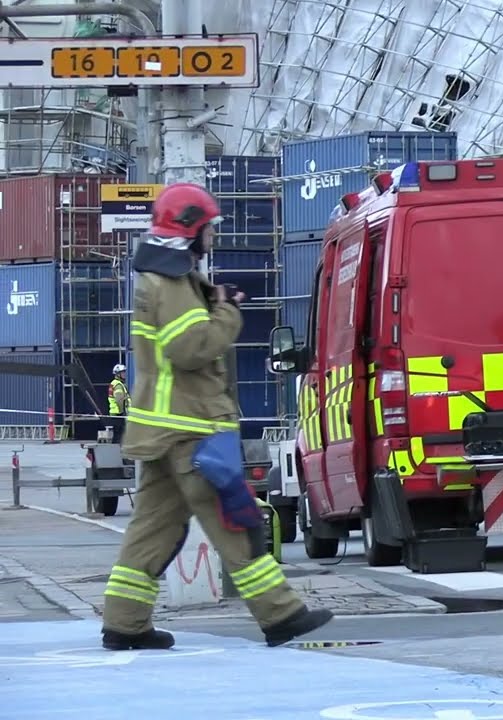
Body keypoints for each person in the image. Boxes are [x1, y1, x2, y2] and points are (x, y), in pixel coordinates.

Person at [100, 182, 332, 651]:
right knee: (235, 521)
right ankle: (281, 614)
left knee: (153, 530)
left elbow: (177, 340)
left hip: (161, 430)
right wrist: (226, 314)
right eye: (208, 228)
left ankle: (124, 623)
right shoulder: (172, 283)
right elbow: (191, 349)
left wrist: (210, 301)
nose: (213, 236)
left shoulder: (161, 278)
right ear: (190, 229)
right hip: (192, 430)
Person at [105, 363, 129, 442]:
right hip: (118, 413)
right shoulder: (118, 385)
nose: (124, 374)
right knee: (119, 436)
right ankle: (116, 451)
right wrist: (124, 413)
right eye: (123, 372)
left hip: (116, 412)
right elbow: (119, 400)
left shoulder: (115, 383)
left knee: (117, 435)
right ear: (118, 374)